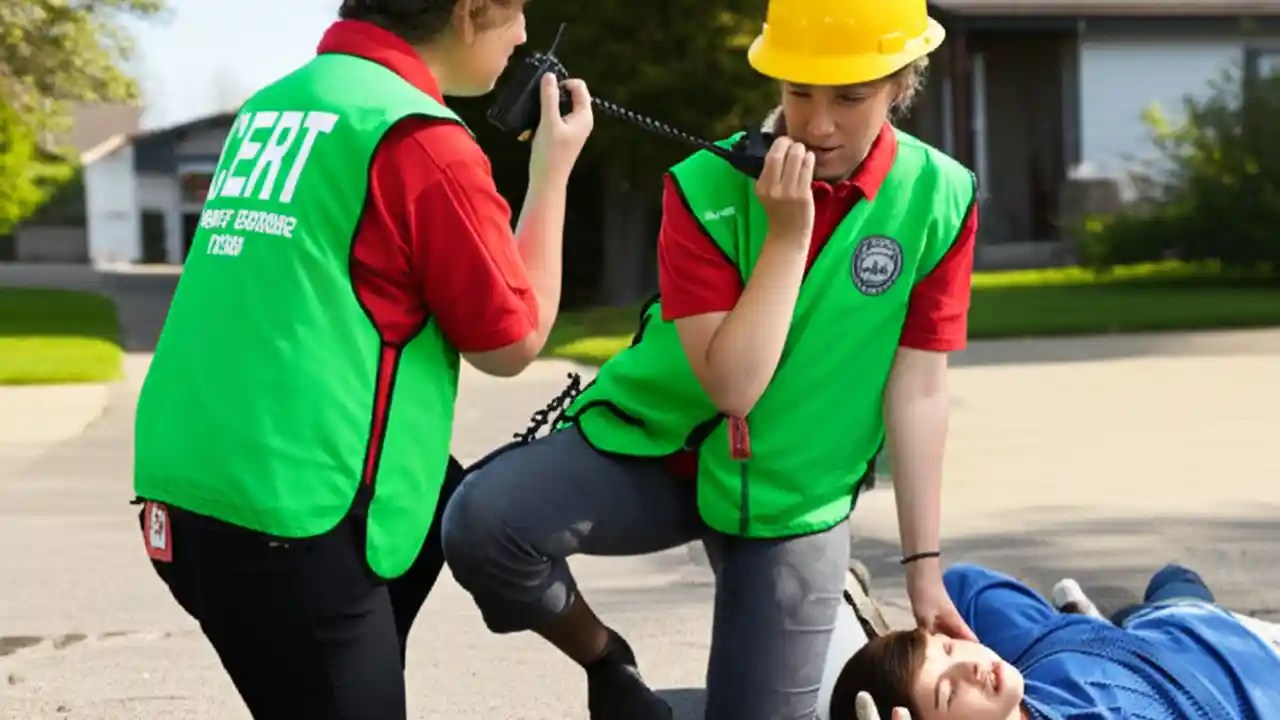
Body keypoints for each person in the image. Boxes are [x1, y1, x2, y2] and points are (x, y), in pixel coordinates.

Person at [440, 0, 981, 717]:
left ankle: (828, 608)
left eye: (849, 97)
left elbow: (917, 391)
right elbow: (733, 387)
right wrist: (789, 237)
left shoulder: (941, 197)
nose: (817, 125)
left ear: (899, 84)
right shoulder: (702, 185)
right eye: (797, 93)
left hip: (793, 498)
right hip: (655, 453)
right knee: (481, 524)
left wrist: (924, 571)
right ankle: (607, 662)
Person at [130, 1, 593, 717]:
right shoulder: (419, 137)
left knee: (442, 498)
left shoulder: (276, 105)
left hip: (191, 487)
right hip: (295, 520)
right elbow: (512, 340)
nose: (526, 34)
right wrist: (552, 170)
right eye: (517, 11)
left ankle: (600, 659)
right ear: (469, 13)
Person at [830, 563, 1280, 720]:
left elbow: (965, 584)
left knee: (1174, 582)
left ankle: (1104, 617)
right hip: (1256, 664)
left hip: (1175, 624)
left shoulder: (1034, 657)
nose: (966, 667)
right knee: (1176, 582)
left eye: (948, 650)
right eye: (948, 693)